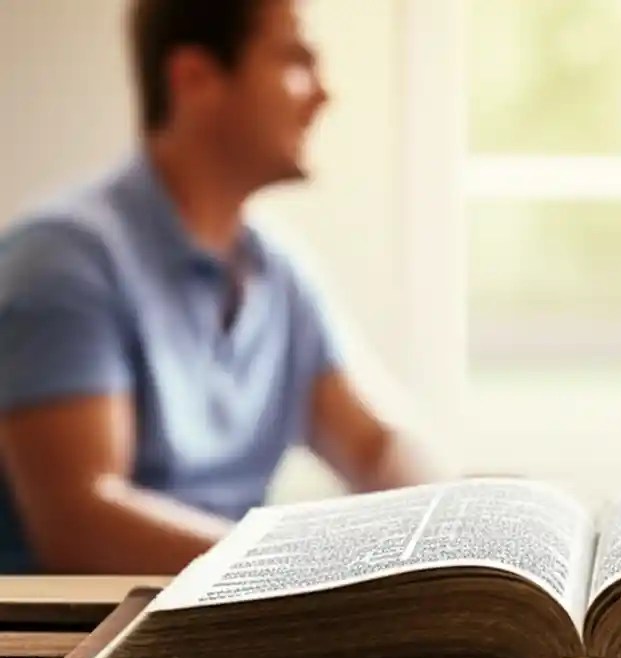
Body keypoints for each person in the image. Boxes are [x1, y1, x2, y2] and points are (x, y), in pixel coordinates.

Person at [0, 0, 443, 574]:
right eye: (295, 60)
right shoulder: (65, 260)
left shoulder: (277, 270)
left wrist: (453, 533)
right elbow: (80, 525)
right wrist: (310, 568)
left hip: (227, 630)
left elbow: (376, 446)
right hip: (78, 649)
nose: (323, 95)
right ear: (195, 79)